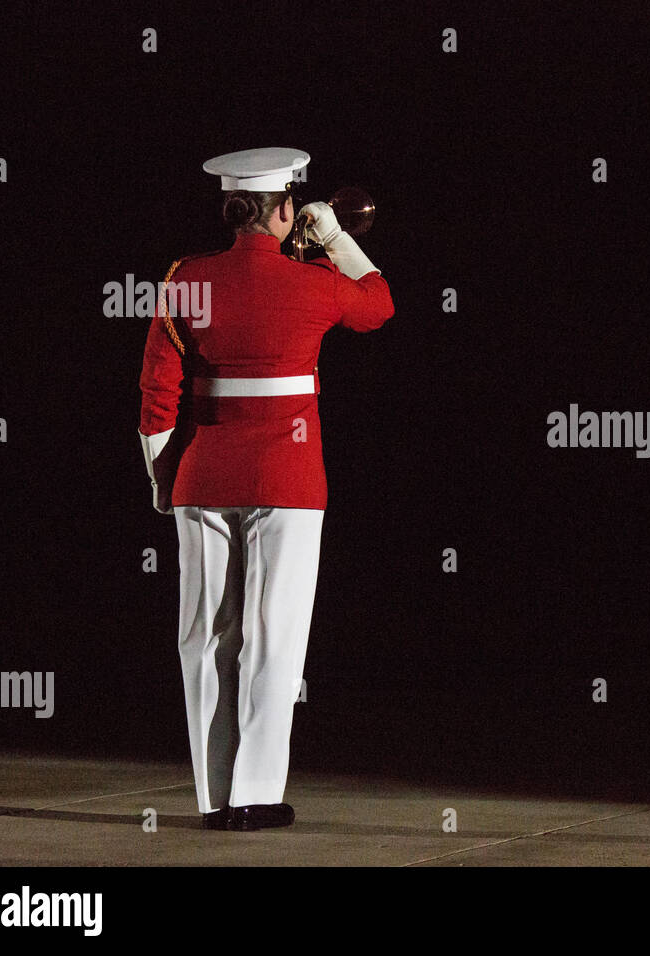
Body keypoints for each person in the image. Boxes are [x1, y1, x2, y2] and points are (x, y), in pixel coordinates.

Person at [138, 147, 395, 830]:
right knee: (273, 639)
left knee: (204, 640)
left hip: (204, 475)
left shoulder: (185, 280)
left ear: (231, 207)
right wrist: (335, 238)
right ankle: (255, 795)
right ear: (286, 210)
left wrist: (164, 479)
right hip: (288, 478)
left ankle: (212, 799)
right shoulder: (312, 282)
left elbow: (157, 392)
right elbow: (380, 305)